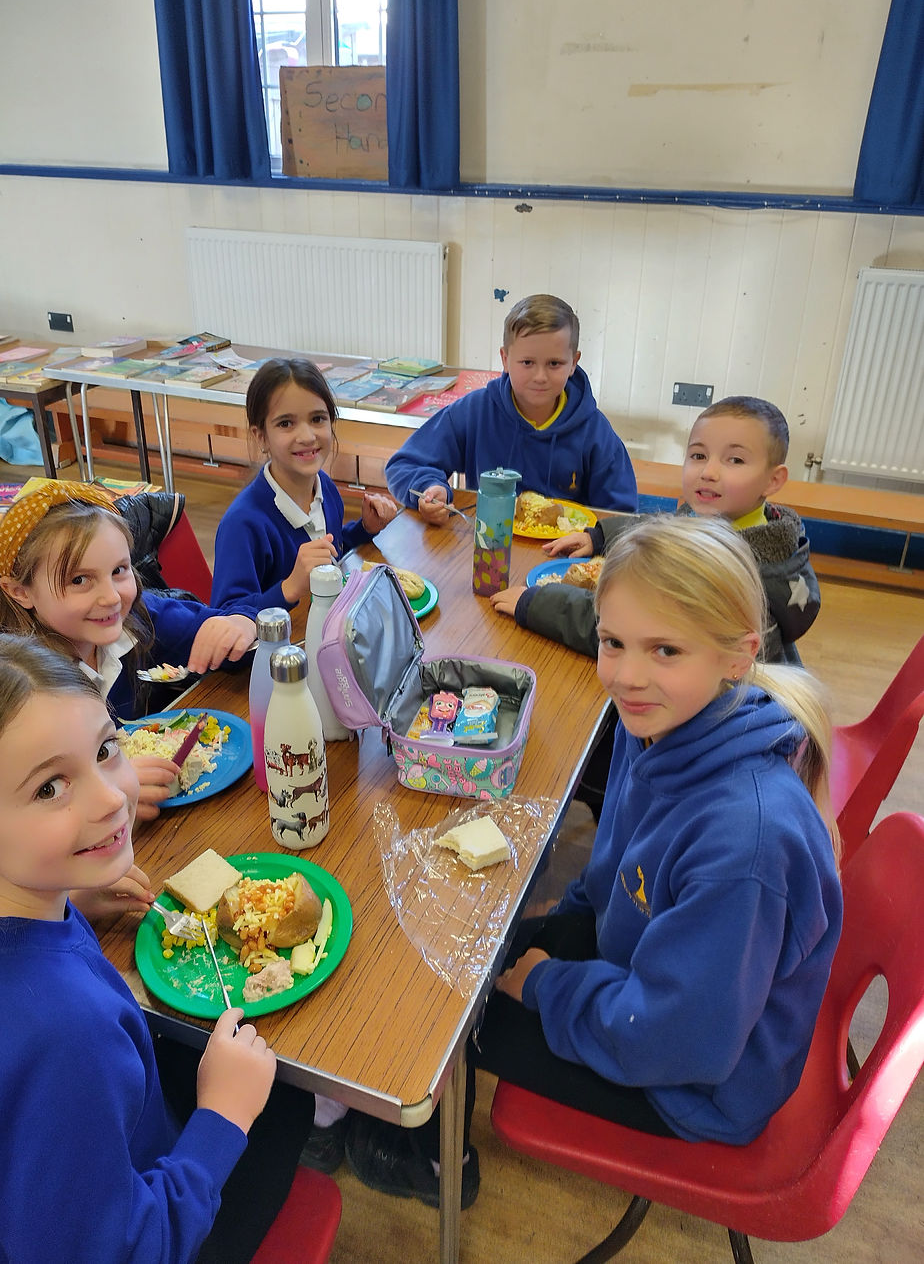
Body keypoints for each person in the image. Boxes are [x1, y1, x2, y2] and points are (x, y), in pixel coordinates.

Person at [342, 515, 843, 1206]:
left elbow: (675, 1041)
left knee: (449, 1023)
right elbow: (621, 865)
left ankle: (430, 1163)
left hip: (693, 1084)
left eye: (665, 649)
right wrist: (567, 918)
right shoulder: (660, 721)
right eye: (613, 642)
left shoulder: (744, 843)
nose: (628, 675)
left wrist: (547, 986)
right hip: (652, 979)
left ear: (738, 656)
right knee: (462, 955)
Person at [0, 629, 313, 1264]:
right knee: (288, 1104)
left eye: (105, 748)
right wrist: (223, 1117)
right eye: (49, 788)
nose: (113, 796)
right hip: (138, 1227)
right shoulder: (62, 1036)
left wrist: (70, 899)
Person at [0, 479, 256, 825]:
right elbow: (13, 818)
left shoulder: (138, 618)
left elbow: (238, 647)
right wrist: (106, 784)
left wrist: (242, 624)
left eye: (119, 570)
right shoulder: (13, 693)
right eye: (79, 580)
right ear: (20, 592)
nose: (111, 597)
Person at [492, 395, 820, 667]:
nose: (708, 471)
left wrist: (538, 605)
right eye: (698, 455)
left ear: (773, 480)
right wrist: (599, 537)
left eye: (734, 460)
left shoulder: (725, 572)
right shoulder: (740, 524)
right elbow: (662, 528)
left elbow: (631, 635)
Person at [384, 294, 638, 523]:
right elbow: (404, 465)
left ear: (574, 363)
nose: (540, 376)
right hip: (488, 544)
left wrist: (596, 537)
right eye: (527, 362)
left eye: (554, 363)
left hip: (562, 553)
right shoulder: (475, 412)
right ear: (505, 359)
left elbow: (621, 517)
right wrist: (429, 488)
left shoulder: (594, 431)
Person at [211, 357, 398, 616]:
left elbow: (329, 551)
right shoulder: (242, 524)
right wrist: (288, 588)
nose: (307, 436)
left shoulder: (326, 488)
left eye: (318, 419)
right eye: (286, 423)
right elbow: (225, 617)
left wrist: (364, 529)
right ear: (261, 437)